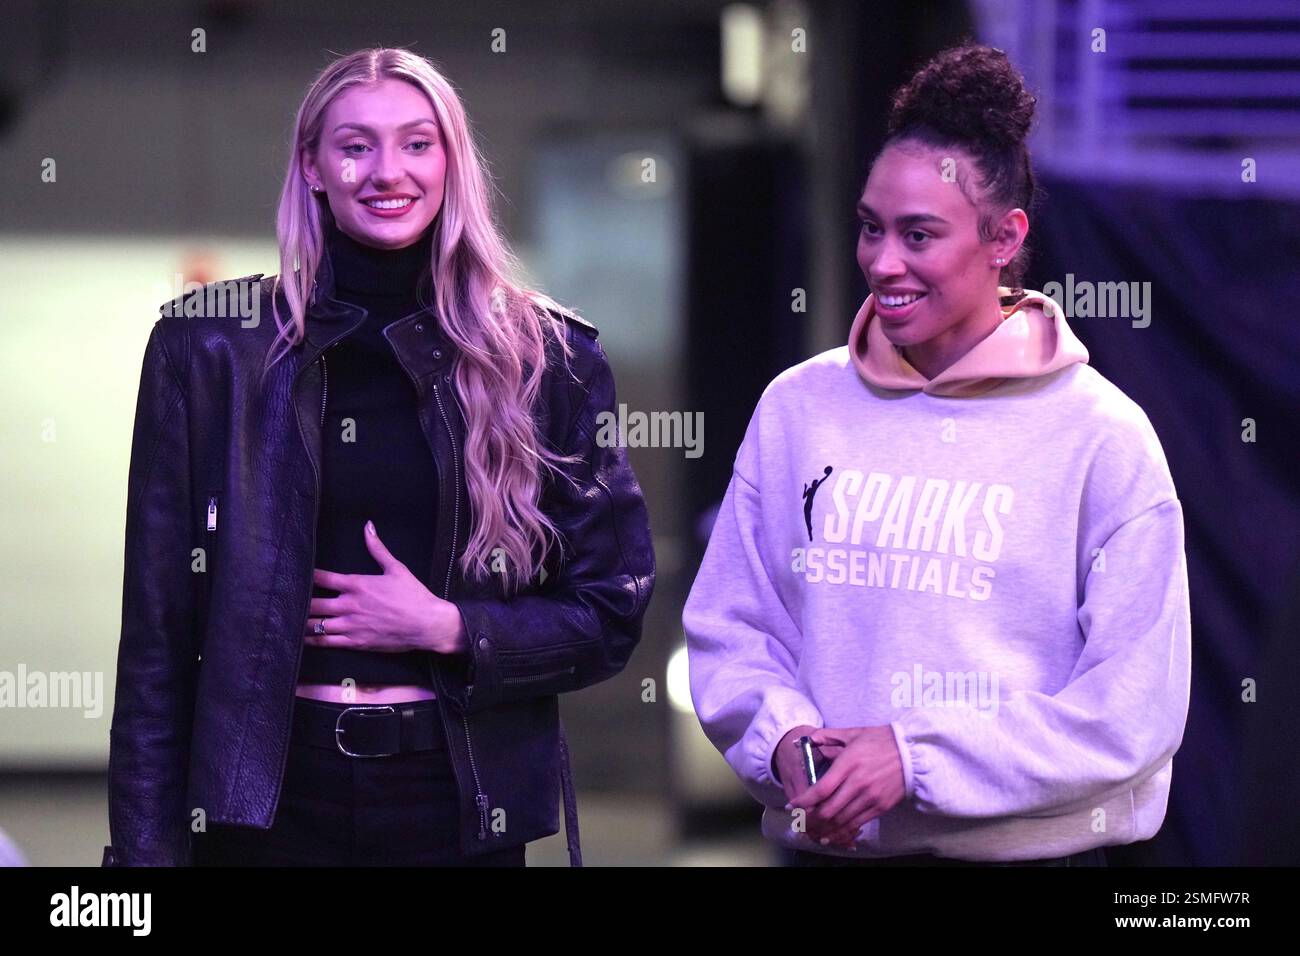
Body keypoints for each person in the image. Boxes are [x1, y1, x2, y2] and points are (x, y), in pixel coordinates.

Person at [104, 47, 655, 867]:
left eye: (417, 143)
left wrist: (450, 625)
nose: (386, 171)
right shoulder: (208, 348)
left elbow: (610, 611)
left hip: (457, 802)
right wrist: (140, 862)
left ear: (451, 163)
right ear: (313, 166)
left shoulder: (546, 357)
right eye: (355, 145)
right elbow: (156, 641)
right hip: (265, 808)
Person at [682, 43, 1190, 866]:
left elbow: (1131, 709)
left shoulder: (1101, 436)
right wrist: (785, 744)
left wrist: (916, 761)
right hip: (828, 853)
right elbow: (732, 630)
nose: (884, 263)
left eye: (919, 234)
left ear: (1003, 238)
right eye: (870, 228)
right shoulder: (798, 409)